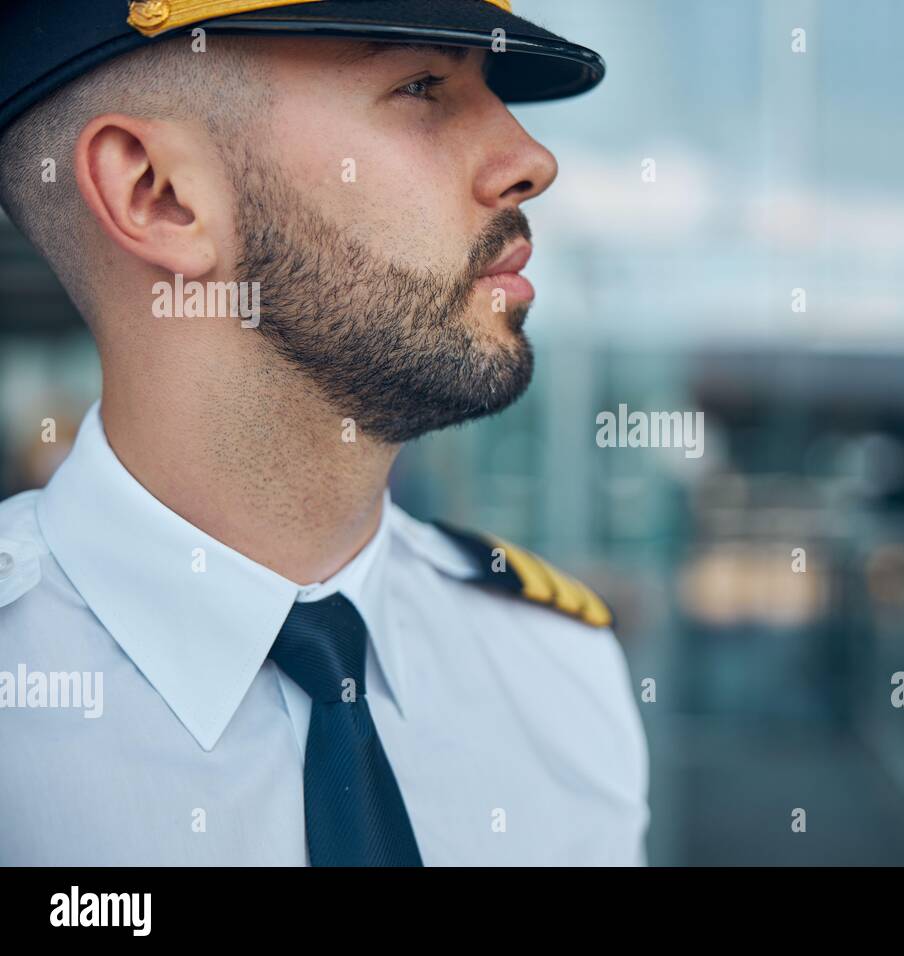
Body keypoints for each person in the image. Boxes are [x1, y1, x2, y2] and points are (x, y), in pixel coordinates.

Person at [0, 0, 648, 866]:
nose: (532, 160)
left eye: (487, 87)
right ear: (157, 193)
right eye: (421, 87)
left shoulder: (561, 675)